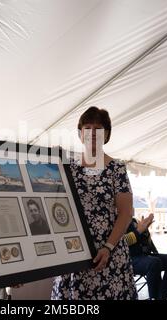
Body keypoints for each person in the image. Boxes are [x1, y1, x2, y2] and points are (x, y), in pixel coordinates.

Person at [52, 106, 137, 300]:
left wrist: (107, 247)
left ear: (106, 134)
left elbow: (126, 213)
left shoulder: (117, 168)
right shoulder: (67, 167)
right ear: (80, 133)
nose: (92, 133)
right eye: (87, 128)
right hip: (74, 252)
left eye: (98, 129)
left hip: (109, 255)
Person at [124, 213, 167, 300]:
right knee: (154, 262)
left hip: (143, 255)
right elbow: (122, 243)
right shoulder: (116, 222)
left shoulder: (134, 221)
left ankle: (163, 295)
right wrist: (139, 230)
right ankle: (155, 297)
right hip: (128, 258)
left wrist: (145, 229)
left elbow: (146, 242)